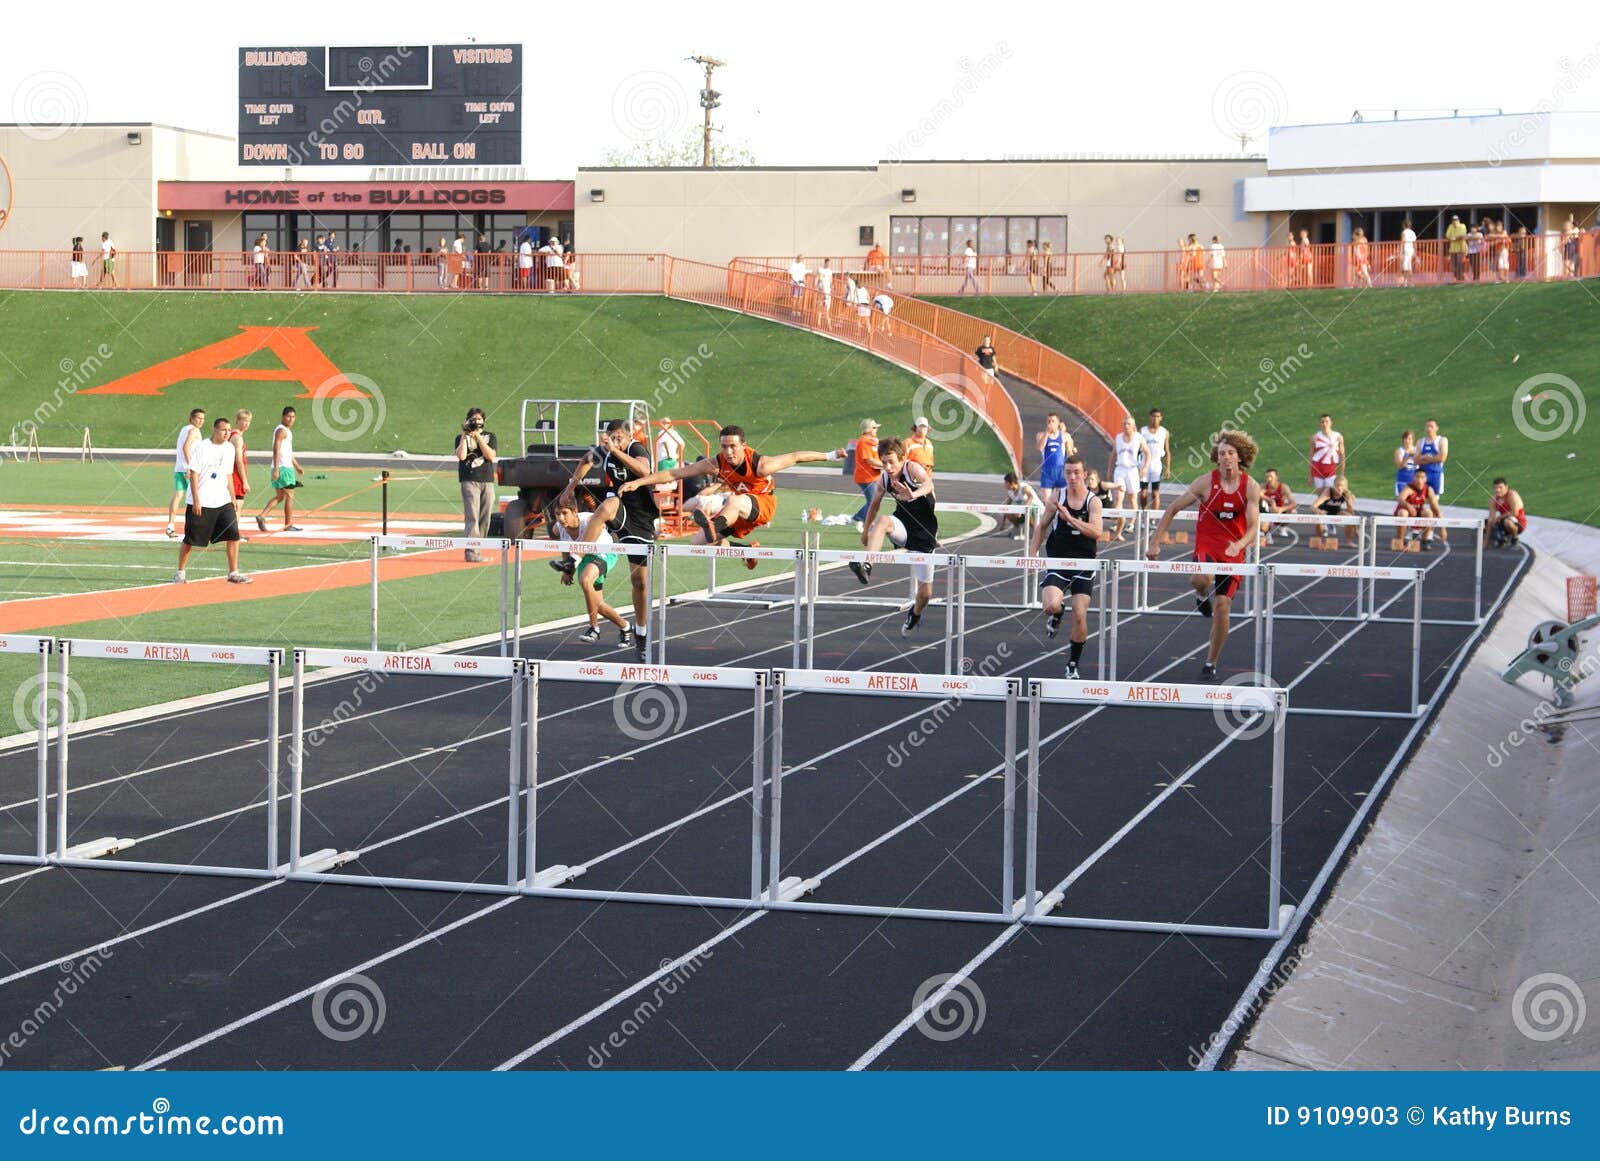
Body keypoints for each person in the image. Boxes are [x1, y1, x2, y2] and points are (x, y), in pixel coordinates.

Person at [618, 426, 843, 559]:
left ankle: (713, 528)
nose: (728, 451)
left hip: (762, 506)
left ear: (743, 446)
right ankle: (746, 551)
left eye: (733, 447)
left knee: (735, 499)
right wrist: (640, 482)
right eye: (724, 446)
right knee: (697, 543)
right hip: (736, 513)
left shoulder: (761, 464)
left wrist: (831, 455)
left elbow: (795, 456)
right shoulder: (716, 463)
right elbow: (675, 474)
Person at [1147, 431, 1262, 681]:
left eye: (1231, 453)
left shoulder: (1250, 487)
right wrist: (1155, 542)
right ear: (1216, 458)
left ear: (1240, 456)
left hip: (1233, 552)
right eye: (1222, 454)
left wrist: (1240, 544)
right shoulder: (1205, 482)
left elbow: (1254, 526)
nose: (1227, 458)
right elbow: (1173, 508)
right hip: (1208, 545)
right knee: (1201, 579)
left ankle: (1211, 661)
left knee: (1223, 608)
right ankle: (1200, 595)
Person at [568, 420, 661, 660]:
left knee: (639, 581)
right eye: (612, 437)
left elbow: (644, 471)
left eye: (620, 437)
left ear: (629, 436)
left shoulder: (636, 449)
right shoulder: (605, 451)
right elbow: (586, 460)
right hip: (620, 509)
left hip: (641, 518)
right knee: (606, 506)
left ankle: (640, 633)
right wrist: (571, 487)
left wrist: (615, 450)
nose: (615, 441)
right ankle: (575, 558)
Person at [849, 438, 939, 635]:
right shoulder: (884, 478)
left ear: (902, 458)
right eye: (883, 462)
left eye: (891, 462)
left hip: (924, 532)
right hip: (903, 526)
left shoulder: (912, 468)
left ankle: (914, 615)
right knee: (882, 521)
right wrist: (865, 531)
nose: (888, 467)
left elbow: (929, 484)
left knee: (925, 594)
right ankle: (867, 566)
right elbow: (874, 504)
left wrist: (913, 495)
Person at [1031, 455, 1102, 678]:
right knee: (1050, 605)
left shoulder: (1093, 501)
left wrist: (1070, 519)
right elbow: (1042, 525)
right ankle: (1057, 614)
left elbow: (1096, 532)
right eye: (1068, 472)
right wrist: (1032, 553)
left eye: (1076, 473)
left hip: (1083, 562)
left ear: (1084, 474)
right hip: (1058, 561)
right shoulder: (1057, 496)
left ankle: (1072, 663)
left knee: (1080, 615)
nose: (1072, 477)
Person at [174, 416, 250, 584]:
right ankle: (180, 572)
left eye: (229, 430)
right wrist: (196, 500)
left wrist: (232, 498)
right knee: (190, 539)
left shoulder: (230, 448)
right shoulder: (202, 447)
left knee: (233, 535)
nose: (227, 433)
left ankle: (233, 572)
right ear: (215, 430)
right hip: (202, 500)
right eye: (224, 430)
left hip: (222, 501)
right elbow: (194, 474)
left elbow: (228, 474)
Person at [551, 497, 631, 645]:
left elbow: (600, 528)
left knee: (586, 580)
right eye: (557, 514)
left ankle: (594, 628)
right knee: (598, 605)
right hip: (583, 558)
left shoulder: (588, 520)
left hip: (604, 553)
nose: (561, 518)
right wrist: (567, 571)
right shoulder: (558, 527)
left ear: (575, 512)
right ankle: (625, 626)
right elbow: (565, 546)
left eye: (564, 513)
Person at [454, 407, 498, 562]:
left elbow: (490, 455)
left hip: (487, 480)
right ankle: (471, 552)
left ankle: (478, 549)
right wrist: (465, 435)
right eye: (473, 419)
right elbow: (461, 455)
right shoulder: (461, 437)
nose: (477, 422)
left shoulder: (490, 436)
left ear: (484, 421)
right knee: (472, 516)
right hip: (469, 480)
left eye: (479, 419)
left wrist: (478, 438)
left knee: (485, 517)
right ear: (468, 420)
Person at [255, 406, 304, 533]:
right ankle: (288, 525)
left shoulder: (286, 431)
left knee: (280, 496)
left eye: (293, 417)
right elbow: (276, 449)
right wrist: (277, 469)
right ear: (283, 416)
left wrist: (297, 466)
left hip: (284, 467)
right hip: (283, 468)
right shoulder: (281, 431)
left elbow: (287, 452)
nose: (291, 419)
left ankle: (262, 516)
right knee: (290, 497)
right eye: (288, 416)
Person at [165, 407, 206, 538]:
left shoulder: (184, 429)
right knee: (197, 497)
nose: (201, 421)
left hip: (179, 468)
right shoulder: (194, 430)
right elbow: (186, 446)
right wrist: (190, 466)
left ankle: (170, 525)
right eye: (198, 418)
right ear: (192, 418)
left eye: (203, 419)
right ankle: (197, 527)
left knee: (178, 495)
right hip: (188, 469)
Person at [1107, 416, 1147, 541]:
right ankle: (1118, 522)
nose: (1126, 426)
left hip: (1132, 470)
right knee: (1118, 496)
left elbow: (1148, 453)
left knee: (1132, 498)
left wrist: (1144, 468)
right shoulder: (1118, 438)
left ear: (1133, 425)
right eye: (1124, 424)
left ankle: (1131, 523)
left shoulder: (1138, 438)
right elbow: (1113, 454)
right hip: (1120, 469)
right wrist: (1109, 470)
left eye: (1128, 424)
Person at [1393, 468, 1442, 550]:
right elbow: (1400, 499)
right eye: (1417, 477)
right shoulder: (1409, 488)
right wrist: (1409, 506)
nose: (1419, 480)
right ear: (1413, 478)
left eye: (1422, 477)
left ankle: (1424, 540)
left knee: (1429, 513)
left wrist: (1443, 529)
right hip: (1406, 512)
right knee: (1403, 513)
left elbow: (1436, 510)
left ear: (1426, 479)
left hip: (1418, 512)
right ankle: (1400, 540)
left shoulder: (1428, 489)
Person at [1035, 412, 1073, 509]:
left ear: (1058, 423)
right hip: (1047, 472)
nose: (1050, 423)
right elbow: (1039, 448)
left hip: (1061, 471)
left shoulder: (1065, 436)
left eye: (1053, 421)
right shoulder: (1041, 435)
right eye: (1048, 421)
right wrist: (1047, 433)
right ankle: (1049, 520)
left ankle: (1061, 521)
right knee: (1046, 501)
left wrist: (1072, 449)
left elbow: (1070, 453)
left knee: (1064, 500)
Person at [851, 418, 882, 527]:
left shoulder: (871, 441)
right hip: (865, 477)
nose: (876, 429)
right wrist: (885, 465)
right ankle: (859, 518)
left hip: (873, 476)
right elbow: (869, 460)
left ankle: (865, 520)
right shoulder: (863, 441)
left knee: (875, 501)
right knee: (873, 501)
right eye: (874, 428)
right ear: (868, 429)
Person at [1138, 407, 1171, 512]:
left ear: (1161, 418)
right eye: (1153, 416)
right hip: (1144, 464)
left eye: (1157, 417)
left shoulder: (1164, 432)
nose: (1155, 419)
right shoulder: (1142, 431)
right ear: (1150, 417)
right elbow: (1137, 450)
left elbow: (1167, 451)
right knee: (1143, 493)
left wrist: (1167, 468)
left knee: (1155, 492)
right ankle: (1144, 513)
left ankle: (1153, 518)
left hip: (1156, 465)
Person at [1313, 473, 1359, 546]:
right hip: (1324, 512)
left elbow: (1351, 511)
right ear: (1333, 485)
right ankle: (1319, 540)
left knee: (1350, 517)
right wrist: (1319, 511)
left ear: (1346, 487)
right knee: (1319, 519)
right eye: (1337, 485)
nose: (1339, 488)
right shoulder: (1328, 492)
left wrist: (1356, 529)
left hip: (1336, 512)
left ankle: (1348, 541)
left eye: (1342, 486)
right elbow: (1313, 506)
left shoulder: (1347, 494)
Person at [1001, 471, 1045, 540]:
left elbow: (1031, 497)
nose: (1004, 485)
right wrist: (1003, 522)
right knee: (1008, 512)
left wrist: (1022, 510)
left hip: (1037, 508)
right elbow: (1007, 506)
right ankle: (1020, 531)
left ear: (1012, 483)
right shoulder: (1010, 492)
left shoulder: (1024, 488)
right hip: (1024, 510)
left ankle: (1037, 532)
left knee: (1027, 511)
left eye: (1006, 483)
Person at [1485, 477, 1526, 548]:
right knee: (1486, 523)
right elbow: (1491, 518)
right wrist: (1486, 541)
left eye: (1500, 487)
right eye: (1495, 488)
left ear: (1506, 487)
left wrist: (1499, 517)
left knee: (1508, 522)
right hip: (1504, 520)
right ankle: (1502, 538)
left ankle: (1514, 539)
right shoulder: (1493, 499)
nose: (1497, 490)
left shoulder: (1512, 495)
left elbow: (1514, 513)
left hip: (1518, 522)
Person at [1308, 413, 1344, 494]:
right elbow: (1310, 456)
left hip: (1331, 468)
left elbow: (1342, 455)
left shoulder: (1338, 436)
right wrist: (1310, 476)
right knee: (1320, 494)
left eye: (1327, 421)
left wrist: (1342, 474)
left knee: (1330, 493)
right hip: (1317, 468)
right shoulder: (1315, 438)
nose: (1324, 424)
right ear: (1319, 424)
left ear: (1331, 423)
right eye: (1322, 422)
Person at [1258, 467, 1296, 541]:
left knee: (1293, 510)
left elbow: (1293, 503)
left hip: (1280, 511)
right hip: (1268, 511)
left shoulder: (1283, 487)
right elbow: (1256, 497)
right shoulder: (1263, 486)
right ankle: (1264, 530)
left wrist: (1281, 509)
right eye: (1267, 477)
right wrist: (1271, 502)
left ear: (1276, 477)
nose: (1269, 479)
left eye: (1271, 477)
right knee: (1258, 506)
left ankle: (1283, 526)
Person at [1416, 417, 1449, 501]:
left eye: (1431, 426)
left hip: (1436, 474)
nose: (1429, 429)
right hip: (1422, 476)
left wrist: (1425, 458)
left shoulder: (1442, 440)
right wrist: (1433, 458)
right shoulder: (1420, 441)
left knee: (1434, 500)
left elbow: (1442, 458)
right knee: (1419, 499)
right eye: (1427, 426)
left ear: (1437, 428)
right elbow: (1416, 460)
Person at [229, 409, 253, 519]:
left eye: (248, 421)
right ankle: (234, 533)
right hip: (235, 476)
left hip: (232, 474)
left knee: (232, 504)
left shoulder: (230, 435)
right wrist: (244, 481)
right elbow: (239, 461)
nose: (247, 424)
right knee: (237, 505)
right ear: (237, 421)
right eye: (244, 420)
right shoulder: (237, 438)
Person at [1393, 429, 1420, 497]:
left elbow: (1420, 465)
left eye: (1410, 439)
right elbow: (1400, 466)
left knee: (1414, 503)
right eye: (1406, 439)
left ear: (1413, 440)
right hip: (1402, 482)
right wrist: (1408, 456)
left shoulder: (1417, 450)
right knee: (1402, 503)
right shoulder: (1399, 451)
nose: (1408, 441)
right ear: (1403, 440)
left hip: (1414, 482)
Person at [1445, 215, 1468, 282]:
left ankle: (1461, 277)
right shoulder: (1450, 226)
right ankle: (1456, 278)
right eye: (1453, 220)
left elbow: (1462, 236)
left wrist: (1454, 238)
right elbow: (1447, 236)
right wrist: (1453, 238)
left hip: (1461, 248)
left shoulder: (1462, 226)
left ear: (1459, 220)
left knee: (1460, 263)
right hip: (1452, 249)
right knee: (1454, 265)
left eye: (1456, 220)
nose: (1454, 222)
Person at [1399, 219, 1417, 287]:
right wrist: (1415, 252)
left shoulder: (1404, 232)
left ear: (1403, 225)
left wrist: (1400, 252)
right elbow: (1414, 243)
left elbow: (1403, 242)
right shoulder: (1412, 232)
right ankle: (1406, 282)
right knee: (1408, 267)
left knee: (1406, 267)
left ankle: (1409, 282)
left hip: (1406, 250)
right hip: (1411, 250)